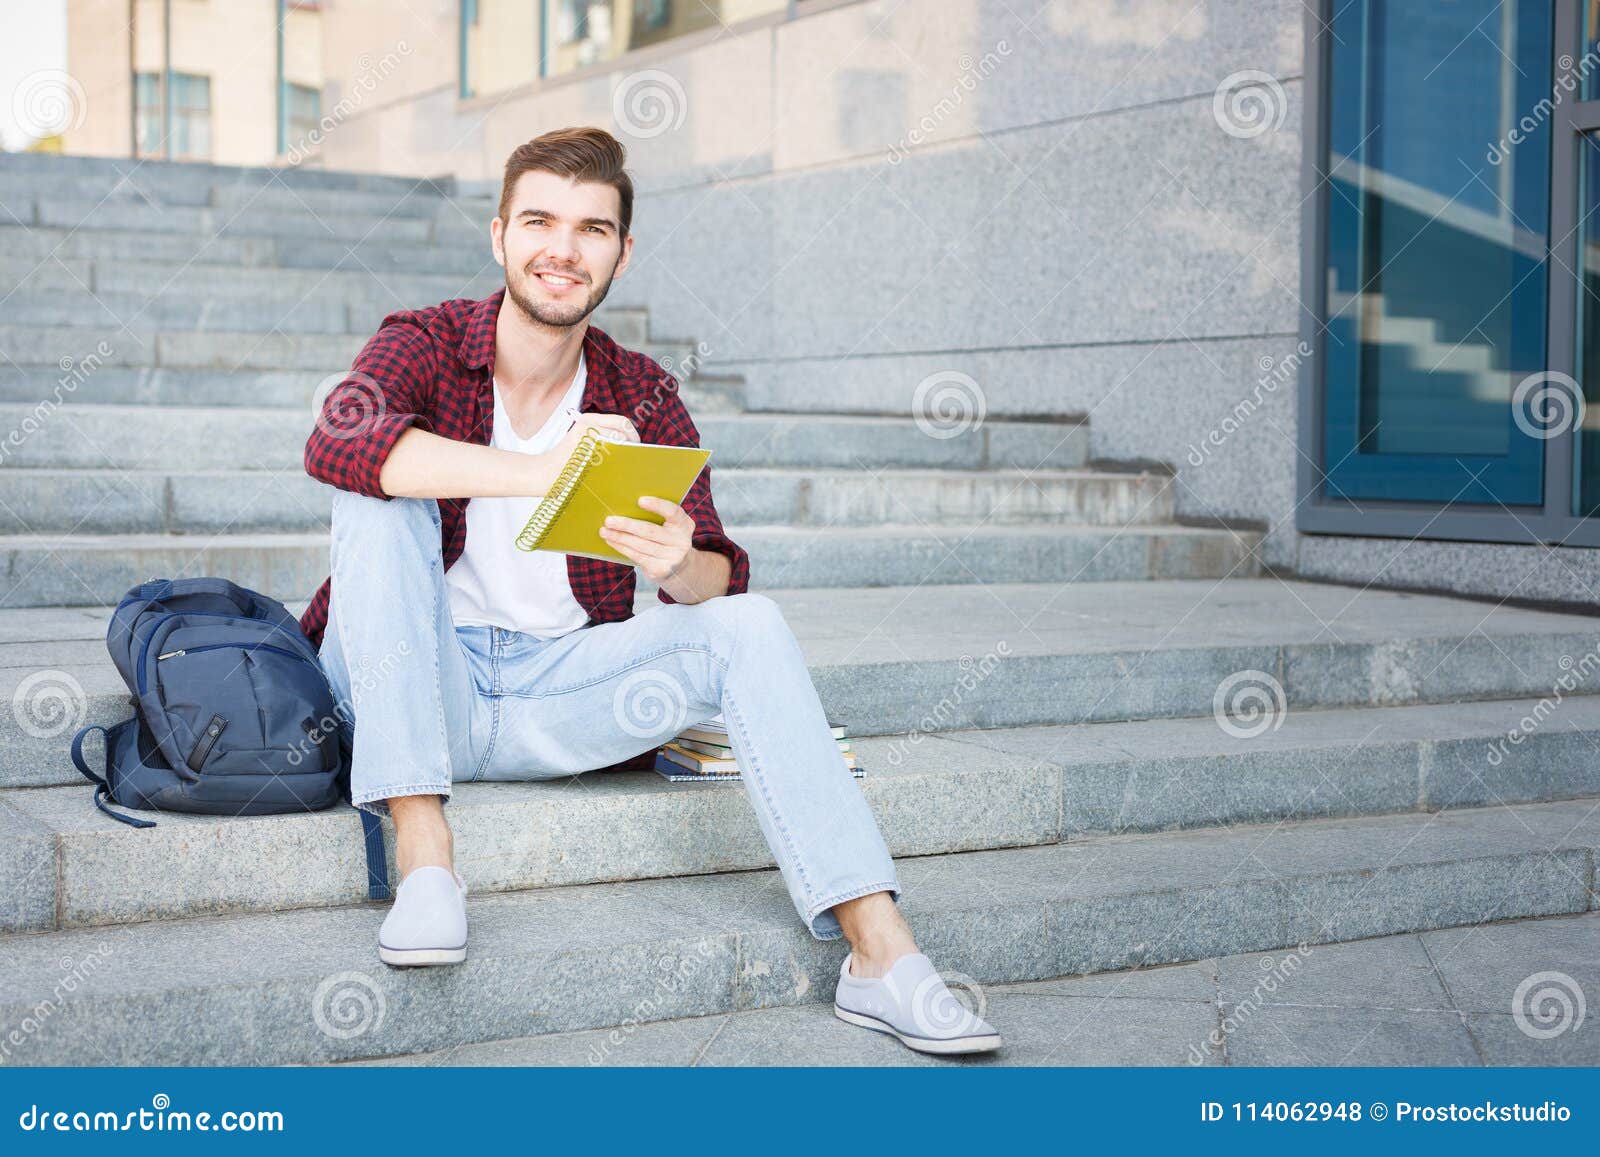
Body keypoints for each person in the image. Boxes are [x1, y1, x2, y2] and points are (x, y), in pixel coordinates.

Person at [301, 126, 1000, 1056]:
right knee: (378, 499)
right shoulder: (423, 341)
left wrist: (676, 566)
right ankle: (425, 857)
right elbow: (338, 442)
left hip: (560, 692)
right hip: (418, 683)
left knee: (744, 622)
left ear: (621, 254)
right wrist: (544, 473)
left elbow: (719, 569)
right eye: (541, 221)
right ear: (500, 234)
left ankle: (880, 952)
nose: (564, 248)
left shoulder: (642, 389)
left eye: (593, 229)